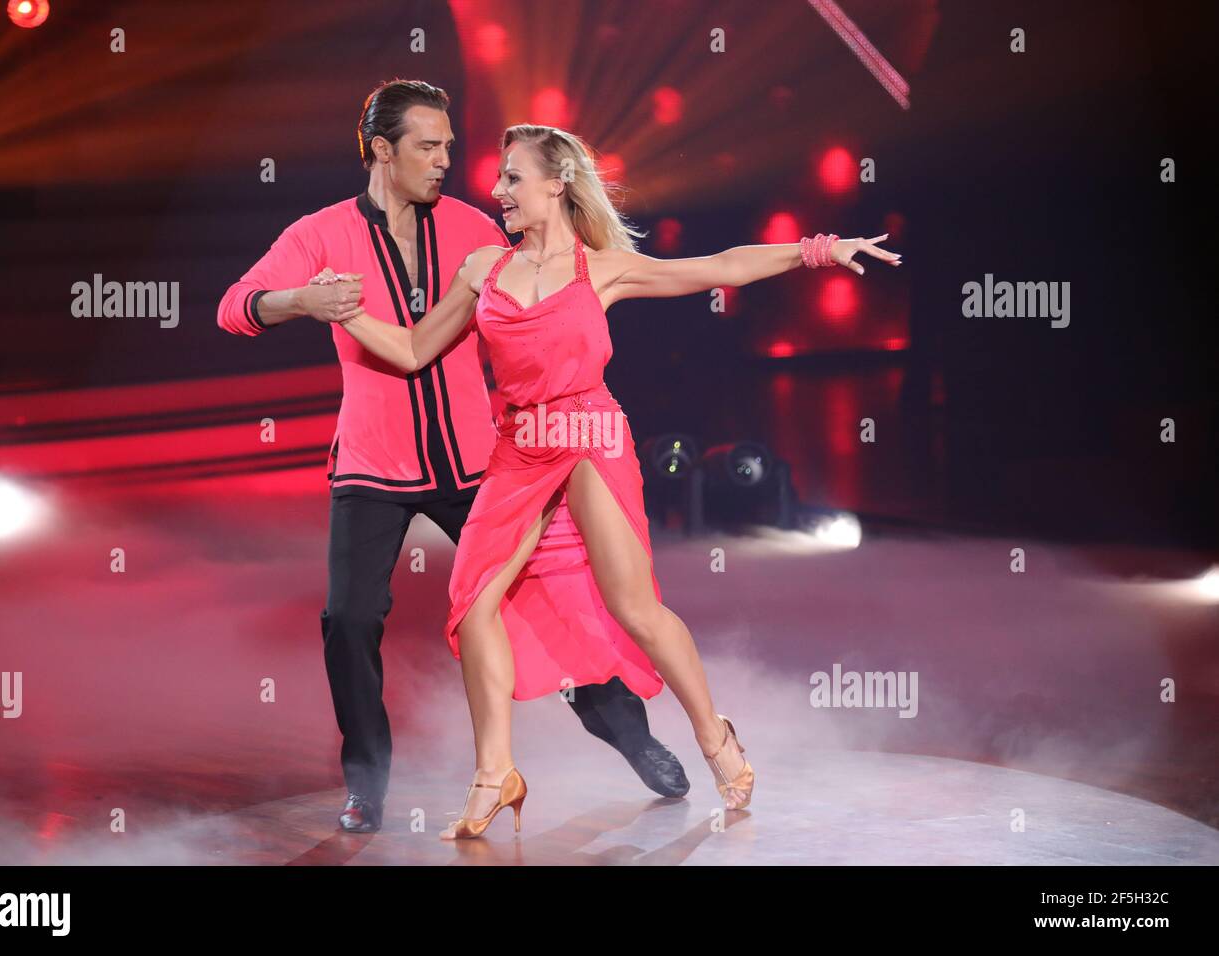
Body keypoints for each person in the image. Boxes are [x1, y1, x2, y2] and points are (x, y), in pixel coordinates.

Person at [323, 123, 902, 838]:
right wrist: (343, 312)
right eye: (500, 179)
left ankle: (713, 735)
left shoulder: (604, 269)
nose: (498, 191)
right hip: (520, 450)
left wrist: (819, 250)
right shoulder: (483, 270)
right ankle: (495, 773)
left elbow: (721, 266)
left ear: (556, 183)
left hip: (591, 439)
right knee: (472, 604)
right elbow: (413, 349)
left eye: (512, 177)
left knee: (634, 607)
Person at [216, 81, 690, 835]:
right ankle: (366, 785)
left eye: (447, 146)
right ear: (382, 149)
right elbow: (236, 305)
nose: (446, 161)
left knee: (546, 604)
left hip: (481, 462)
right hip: (372, 464)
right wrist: (299, 301)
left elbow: (546, 291)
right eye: (428, 147)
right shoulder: (320, 233)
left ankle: (632, 735)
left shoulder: (475, 227)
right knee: (349, 619)